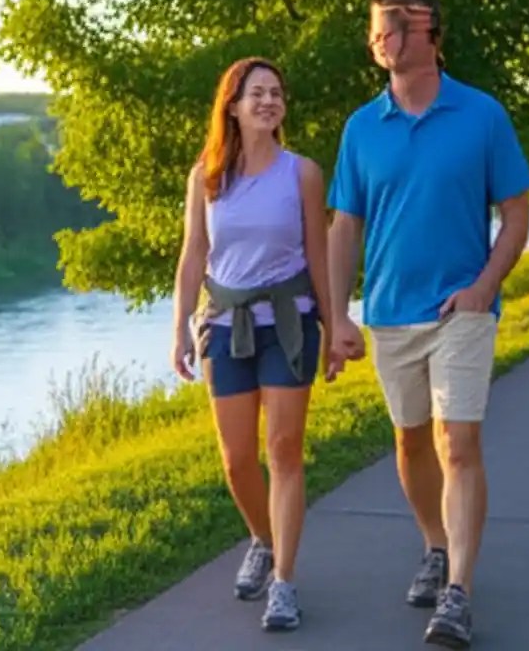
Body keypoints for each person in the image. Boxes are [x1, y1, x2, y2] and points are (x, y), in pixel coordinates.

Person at [323, 0, 529, 648]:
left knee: (458, 443)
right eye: (377, 31)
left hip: (460, 310)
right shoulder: (362, 127)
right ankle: (435, 545)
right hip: (389, 312)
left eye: (397, 29)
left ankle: (459, 594)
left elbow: (517, 215)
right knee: (411, 440)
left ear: (432, 38)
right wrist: (338, 316)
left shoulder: (482, 116)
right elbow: (343, 227)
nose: (383, 40)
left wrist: (483, 287)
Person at [170, 56, 339, 633]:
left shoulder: (303, 173)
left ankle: (285, 584)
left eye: (276, 93)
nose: (269, 101)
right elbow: (194, 254)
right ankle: (262, 540)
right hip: (222, 324)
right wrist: (179, 329)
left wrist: (336, 323)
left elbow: (320, 255)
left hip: (288, 322)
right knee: (237, 459)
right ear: (233, 106)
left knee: (285, 450)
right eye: (256, 93)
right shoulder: (207, 177)